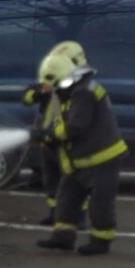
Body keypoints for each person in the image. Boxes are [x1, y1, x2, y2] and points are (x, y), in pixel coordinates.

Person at [34, 52, 128, 255]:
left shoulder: (83, 93)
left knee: (100, 203)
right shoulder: (76, 90)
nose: (55, 90)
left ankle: (101, 241)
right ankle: (63, 238)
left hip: (103, 158)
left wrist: (49, 134)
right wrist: (47, 134)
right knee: (67, 197)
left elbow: (76, 126)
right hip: (82, 160)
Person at [23, 41, 87, 225]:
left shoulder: (79, 88)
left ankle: (79, 218)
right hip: (48, 142)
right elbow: (27, 97)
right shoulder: (49, 82)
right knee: (51, 181)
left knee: (73, 181)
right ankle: (54, 214)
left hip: (67, 143)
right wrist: (38, 94)